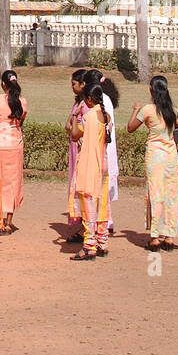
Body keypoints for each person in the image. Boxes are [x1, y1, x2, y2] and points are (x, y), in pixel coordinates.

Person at [128, 74, 178, 251]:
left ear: (151, 90)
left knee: (155, 193)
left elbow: (130, 128)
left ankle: (154, 237)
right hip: (171, 156)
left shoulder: (147, 110)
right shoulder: (173, 110)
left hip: (155, 156)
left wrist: (135, 109)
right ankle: (169, 236)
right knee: (172, 194)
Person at [70, 82, 112, 260]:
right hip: (103, 163)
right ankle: (102, 242)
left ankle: (89, 245)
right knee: (102, 203)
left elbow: (74, 134)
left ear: (88, 99)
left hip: (90, 164)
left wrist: (75, 115)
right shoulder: (106, 116)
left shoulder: (88, 118)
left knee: (88, 203)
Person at [0, 69, 28, 232]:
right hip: (15, 145)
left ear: (3, 84)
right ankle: (9, 221)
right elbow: (21, 120)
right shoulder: (22, 102)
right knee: (13, 182)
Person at [83, 68, 120, 233]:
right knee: (104, 186)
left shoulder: (96, 106)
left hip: (98, 149)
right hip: (106, 148)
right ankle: (106, 221)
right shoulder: (107, 100)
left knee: (96, 189)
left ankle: (99, 223)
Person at [65, 69, 88, 242]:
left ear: (83, 85)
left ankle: (84, 227)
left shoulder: (87, 106)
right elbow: (68, 124)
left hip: (81, 147)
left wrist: (76, 129)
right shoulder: (78, 103)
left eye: (74, 84)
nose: (72, 87)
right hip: (75, 147)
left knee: (81, 186)